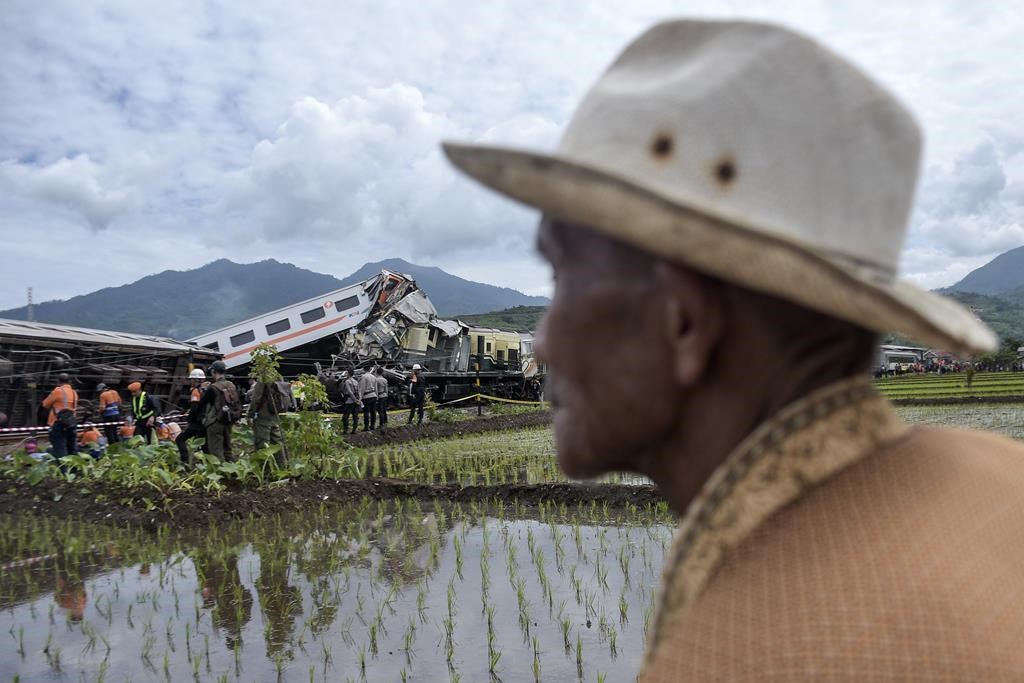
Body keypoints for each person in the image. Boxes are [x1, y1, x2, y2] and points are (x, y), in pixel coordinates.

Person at [443, 19, 1024, 680]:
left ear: (686, 321)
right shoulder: (1003, 473)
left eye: (561, 276)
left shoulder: (736, 655)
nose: (542, 343)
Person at [199, 361, 240, 461]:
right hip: (228, 419)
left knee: (216, 450)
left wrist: (203, 390)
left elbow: (203, 403)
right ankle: (231, 471)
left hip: (215, 421)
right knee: (227, 448)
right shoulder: (231, 385)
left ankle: (220, 473)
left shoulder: (213, 388)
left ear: (213, 371)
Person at [249, 377, 291, 464]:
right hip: (275, 415)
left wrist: (250, 414)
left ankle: (265, 470)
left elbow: (256, 398)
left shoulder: (263, 379)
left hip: (263, 416)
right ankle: (282, 466)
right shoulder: (278, 376)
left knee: (262, 444)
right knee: (277, 443)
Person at [41, 372, 78, 457]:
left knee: (60, 451)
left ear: (58, 381)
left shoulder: (57, 391)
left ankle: (64, 469)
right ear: (69, 381)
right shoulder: (74, 393)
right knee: (72, 450)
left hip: (58, 424)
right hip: (71, 423)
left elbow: (45, 404)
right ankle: (74, 469)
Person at [176, 368, 208, 464]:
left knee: (180, 439)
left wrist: (189, 419)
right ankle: (206, 463)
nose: (190, 382)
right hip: (206, 422)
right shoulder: (207, 390)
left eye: (191, 380)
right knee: (204, 444)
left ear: (195, 380)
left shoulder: (195, 391)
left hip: (197, 423)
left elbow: (194, 408)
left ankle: (185, 461)